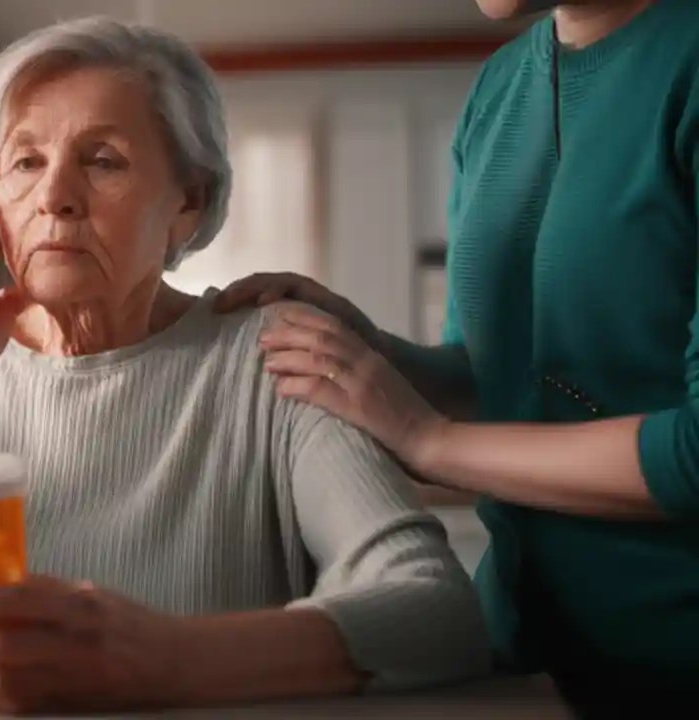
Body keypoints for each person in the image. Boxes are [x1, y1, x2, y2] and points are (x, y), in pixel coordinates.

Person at [0, 16, 491, 715]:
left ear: (188, 199)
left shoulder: (271, 357)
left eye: (102, 160)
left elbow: (432, 611)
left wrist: (166, 663)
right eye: (25, 163)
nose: (57, 197)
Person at [213, 0, 698, 703]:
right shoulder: (498, 89)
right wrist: (368, 349)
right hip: (511, 654)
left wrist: (429, 441)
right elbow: (490, 376)